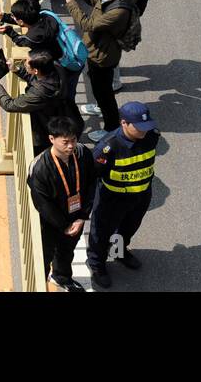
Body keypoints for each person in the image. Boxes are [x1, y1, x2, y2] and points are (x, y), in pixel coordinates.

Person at [85, 102, 160, 288]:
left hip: (141, 195)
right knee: (101, 233)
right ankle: (97, 265)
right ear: (124, 123)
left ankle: (119, 252)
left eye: (146, 126)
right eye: (139, 127)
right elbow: (92, 175)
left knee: (129, 227)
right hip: (112, 199)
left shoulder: (152, 136)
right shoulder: (108, 147)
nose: (144, 131)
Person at [61, 0, 132, 140]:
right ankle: (101, 107)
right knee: (99, 87)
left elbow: (87, 24)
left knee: (105, 93)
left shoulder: (118, 11)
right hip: (97, 52)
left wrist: (71, 2)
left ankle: (111, 128)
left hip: (103, 57)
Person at [27, 115, 97, 291]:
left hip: (76, 216)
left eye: (73, 140)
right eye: (65, 142)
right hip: (50, 222)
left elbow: (90, 185)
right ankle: (38, 286)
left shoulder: (82, 153)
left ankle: (61, 277)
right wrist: (64, 225)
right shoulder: (40, 167)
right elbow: (43, 204)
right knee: (44, 256)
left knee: (67, 251)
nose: (71, 146)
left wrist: (82, 217)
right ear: (51, 139)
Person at [0, 48, 78, 156]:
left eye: (27, 62)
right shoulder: (54, 67)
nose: (24, 63)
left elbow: (9, 105)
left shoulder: (39, 93)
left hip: (44, 131)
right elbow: (36, 79)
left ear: (35, 70)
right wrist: (16, 69)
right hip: (62, 116)